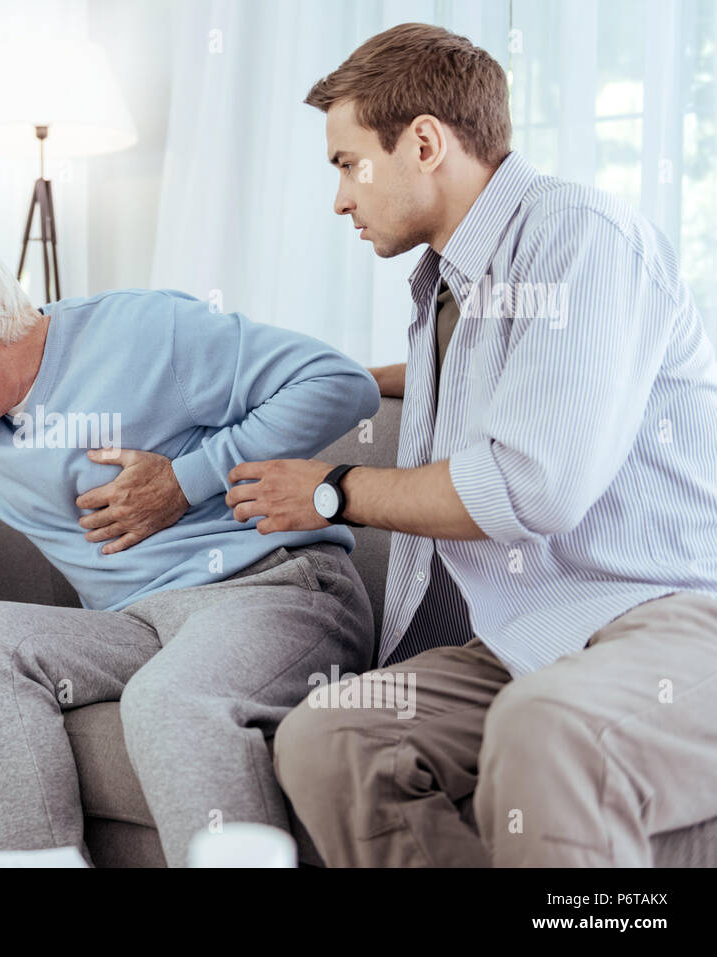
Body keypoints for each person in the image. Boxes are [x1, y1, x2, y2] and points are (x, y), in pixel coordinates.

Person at [242, 23, 717, 866]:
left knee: (548, 728)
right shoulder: (446, 288)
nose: (342, 199)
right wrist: (360, 378)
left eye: (349, 163)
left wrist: (331, 489)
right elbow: (487, 373)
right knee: (330, 735)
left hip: (672, 614)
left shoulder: (579, 238)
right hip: (533, 637)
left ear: (423, 142)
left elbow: (534, 486)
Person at [0, 228, 379, 866]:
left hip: (272, 589)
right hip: (137, 625)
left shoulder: (148, 333)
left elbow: (339, 384)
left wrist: (186, 482)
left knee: (169, 701)